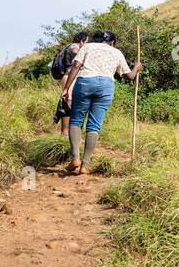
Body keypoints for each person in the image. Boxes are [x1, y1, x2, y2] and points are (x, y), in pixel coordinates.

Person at [59, 30, 142, 174]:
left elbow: (76, 66)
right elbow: (130, 76)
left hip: (85, 83)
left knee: (76, 120)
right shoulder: (117, 52)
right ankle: (85, 165)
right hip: (106, 86)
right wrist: (137, 68)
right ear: (112, 42)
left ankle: (75, 158)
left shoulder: (87, 47)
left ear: (95, 40)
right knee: (94, 125)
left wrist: (66, 88)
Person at [54, 32, 90, 134]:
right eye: (86, 41)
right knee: (69, 101)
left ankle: (67, 131)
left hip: (68, 76)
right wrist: (83, 52)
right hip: (69, 76)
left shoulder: (68, 46)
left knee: (69, 101)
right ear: (82, 41)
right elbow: (74, 51)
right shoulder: (74, 46)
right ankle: (67, 131)